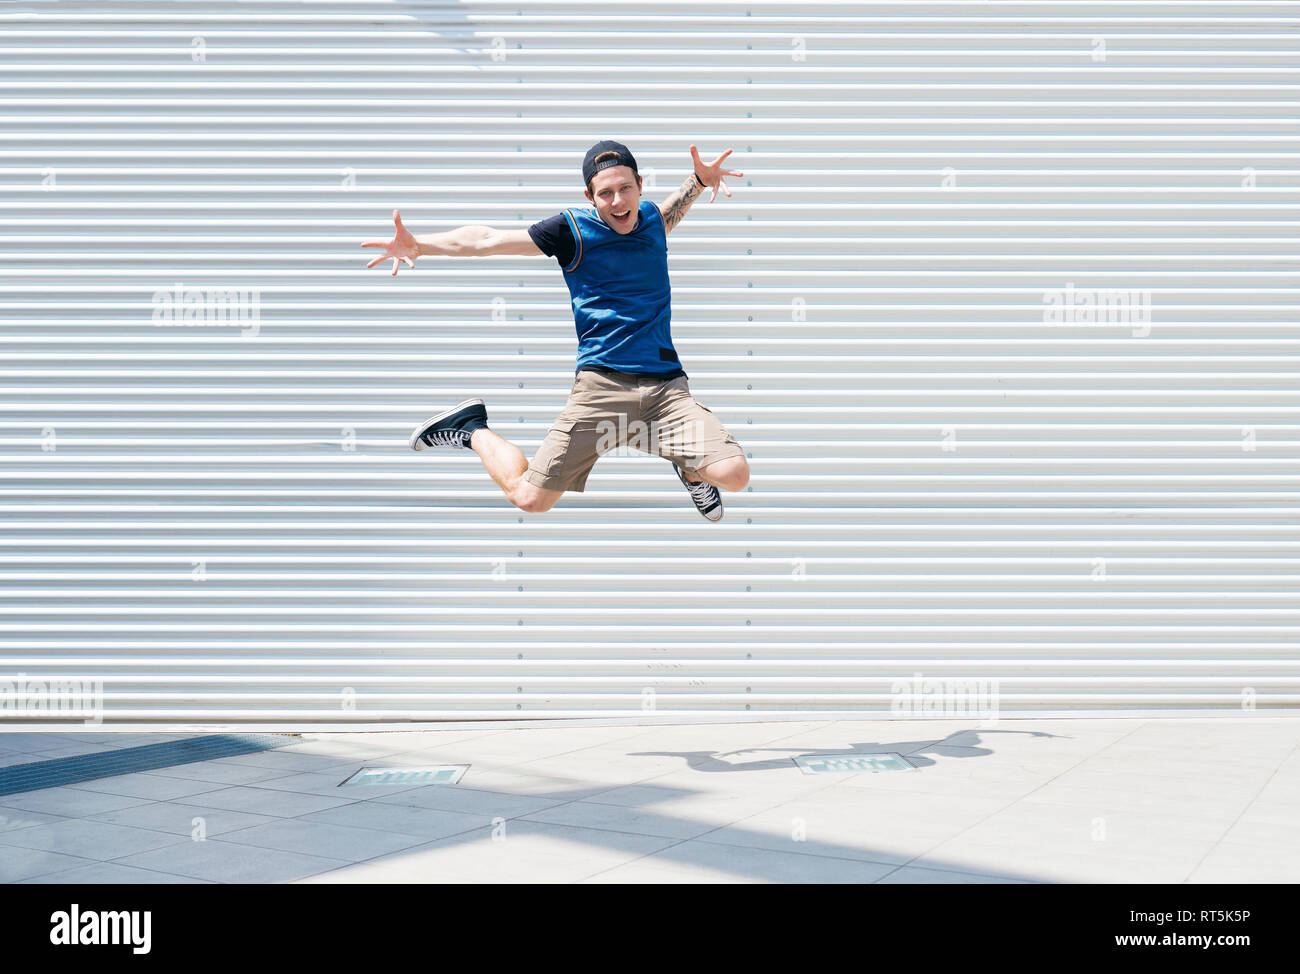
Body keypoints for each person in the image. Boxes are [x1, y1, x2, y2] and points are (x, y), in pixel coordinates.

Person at [362, 140, 750, 521]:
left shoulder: (649, 220)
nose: (618, 202)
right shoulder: (571, 231)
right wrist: (420, 246)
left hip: (666, 390)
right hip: (601, 389)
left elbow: (666, 215)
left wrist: (697, 183)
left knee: (735, 474)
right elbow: (488, 239)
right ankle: (471, 429)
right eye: (606, 193)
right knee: (530, 498)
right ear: (589, 195)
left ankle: (690, 469)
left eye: (625, 188)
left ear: (639, 184)